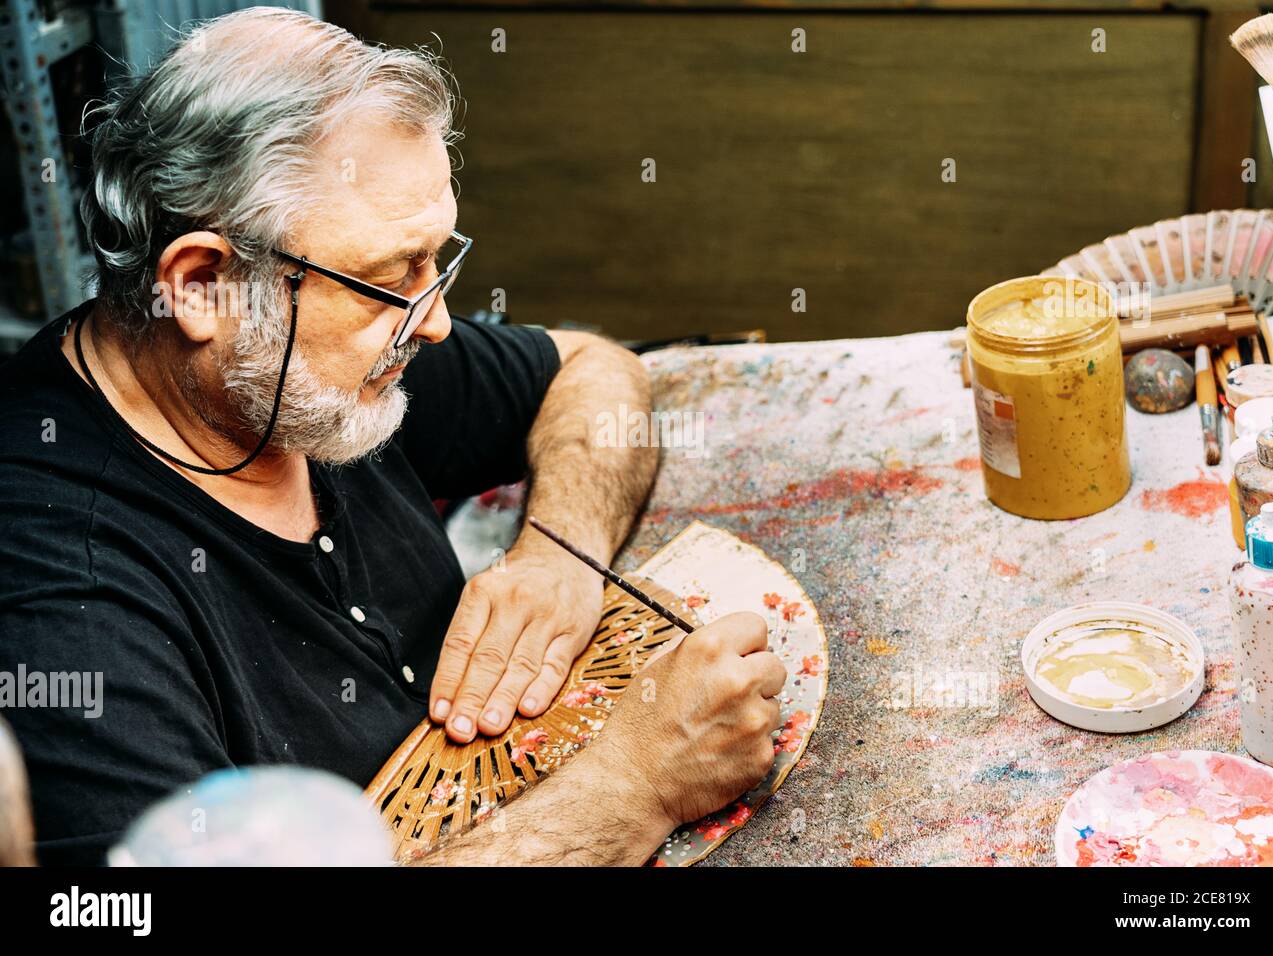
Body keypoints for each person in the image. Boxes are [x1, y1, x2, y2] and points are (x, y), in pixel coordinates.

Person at [0, 7, 785, 865]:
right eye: (393, 276)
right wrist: (638, 785)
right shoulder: (65, 604)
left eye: (435, 261)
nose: (438, 321)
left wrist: (560, 551)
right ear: (202, 286)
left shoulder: (292, 363)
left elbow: (593, 371)